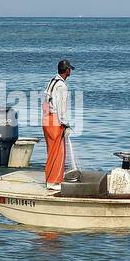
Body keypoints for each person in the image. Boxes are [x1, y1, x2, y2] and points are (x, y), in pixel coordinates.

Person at [41, 59, 75, 192]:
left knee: (51, 151)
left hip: (45, 118)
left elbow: (45, 101)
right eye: (70, 69)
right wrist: (65, 124)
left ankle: (50, 178)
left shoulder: (52, 81)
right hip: (55, 121)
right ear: (66, 70)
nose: (70, 71)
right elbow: (61, 108)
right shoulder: (62, 86)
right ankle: (54, 182)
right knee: (58, 152)